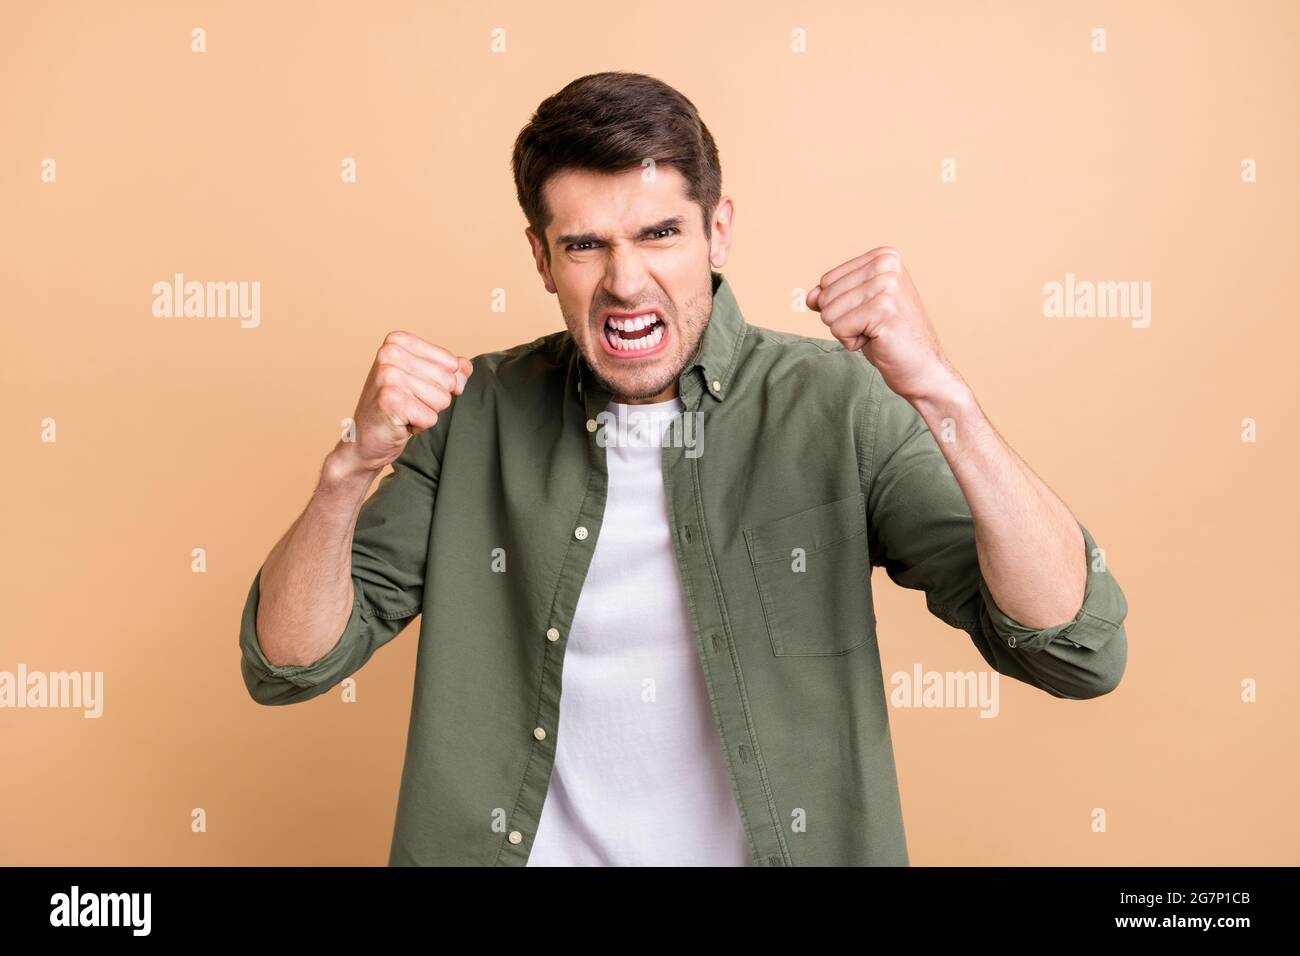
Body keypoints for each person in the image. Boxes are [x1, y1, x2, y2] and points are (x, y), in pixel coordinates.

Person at [237, 71, 1128, 866]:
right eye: (586, 245)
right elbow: (289, 664)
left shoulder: (836, 403)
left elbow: (1077, 647)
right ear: (542, 258)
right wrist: (349, 470)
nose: (627, 282)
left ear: (718, 231)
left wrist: (943, 397)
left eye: (659, 232)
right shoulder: (473, 417)